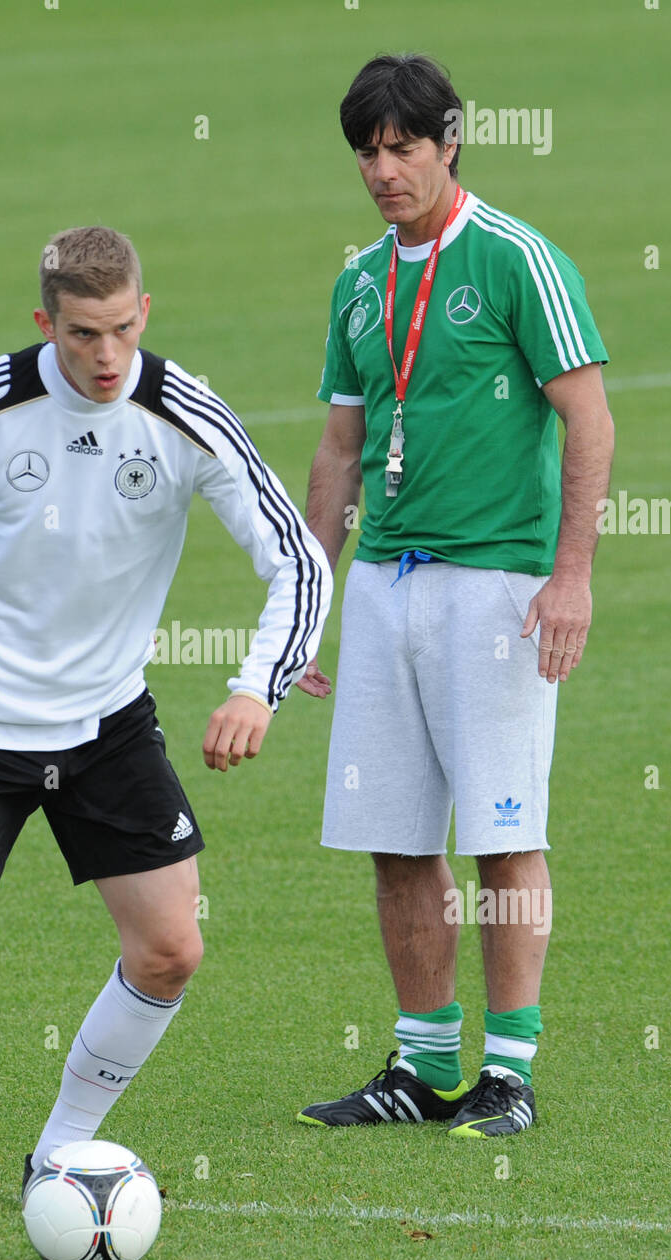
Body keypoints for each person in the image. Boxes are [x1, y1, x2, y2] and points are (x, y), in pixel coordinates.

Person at [0, 225, 331, 1191]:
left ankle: (58, 1149)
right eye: (82, 334)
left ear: (145, 309)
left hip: (107, 726)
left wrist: (254, 686)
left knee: (171, 949)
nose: (106, 357)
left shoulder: (185, 417)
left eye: (123, 330)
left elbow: (295, 560)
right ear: (44, 322)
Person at [296, 55, 612, 1137]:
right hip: (387, 580)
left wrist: (568, 575)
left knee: (503, 831)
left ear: (449, 141)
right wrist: (303, 603)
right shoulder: (356, 281)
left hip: (496, 585)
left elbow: (590, 419)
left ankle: (510, 1070)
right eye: (367, 153)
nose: (383, 170)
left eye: (402, 147)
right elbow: (339, 453)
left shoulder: (518, 259)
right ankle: (424, 1066)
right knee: (394, 833)